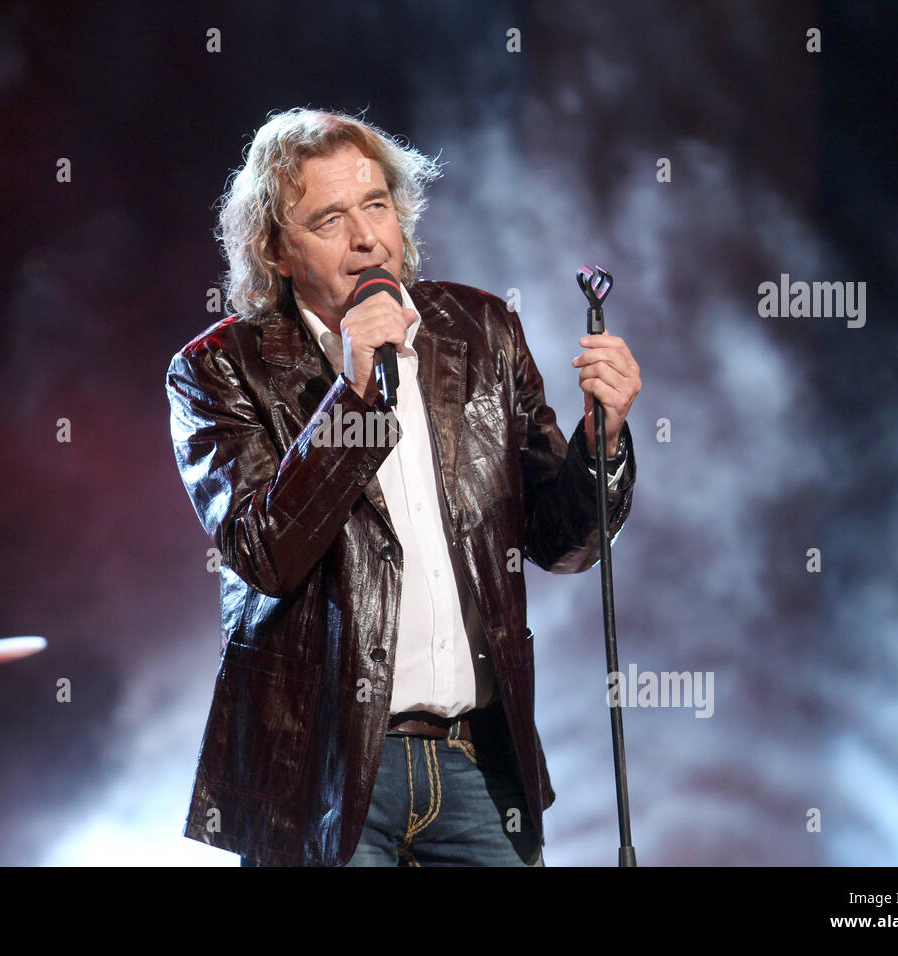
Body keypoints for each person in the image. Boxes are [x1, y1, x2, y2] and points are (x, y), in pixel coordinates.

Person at [165, 107, 641, 866]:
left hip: (478, 762)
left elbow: (563, 545)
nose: (366, 239)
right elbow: (264, 552)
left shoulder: (482, 332)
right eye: (329, 218)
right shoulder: (222, 369)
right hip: (323, 774)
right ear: (278, 252)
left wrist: (603, 439)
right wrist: (352, 394)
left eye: (377, 205)